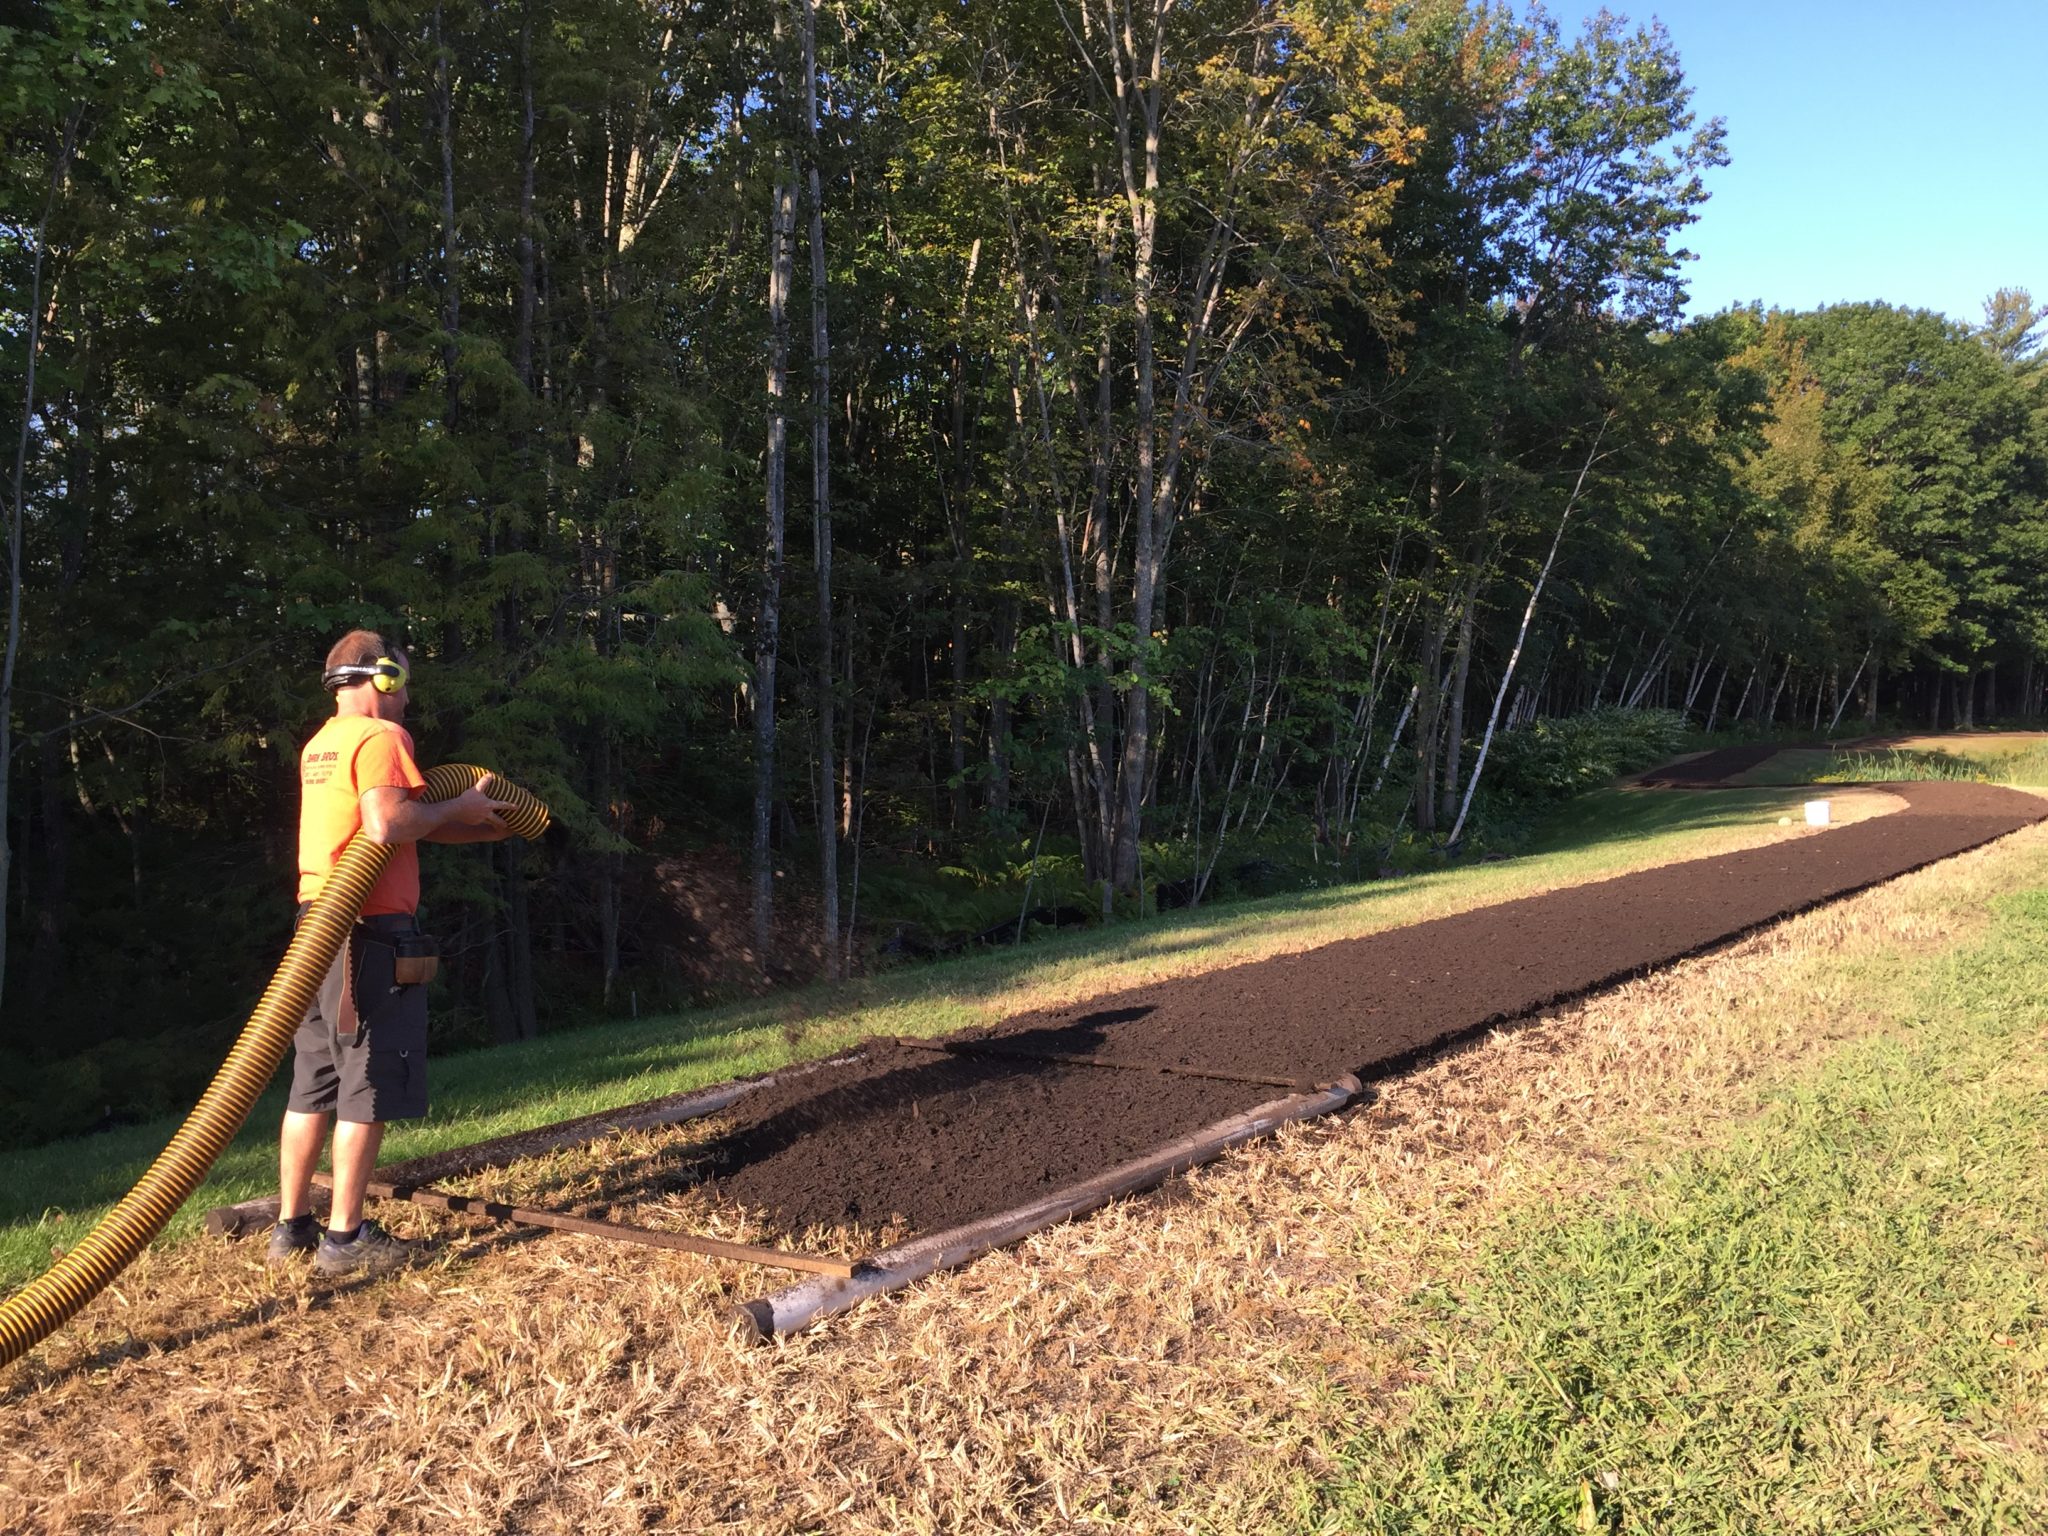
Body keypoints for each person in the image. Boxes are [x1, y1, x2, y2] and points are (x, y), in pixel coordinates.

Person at [268, 630, 515, 1276]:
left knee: (312, 1082)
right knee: (368, 1082)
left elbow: (391, 828)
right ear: (382, 679)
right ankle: (345, 1239)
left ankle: (292, 1227)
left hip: (316, 930)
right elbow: (387, 824)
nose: (408, 698)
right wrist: (462, 802)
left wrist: (470, 824)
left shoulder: (323, 744)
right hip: (369, 936)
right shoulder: (383, 737)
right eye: (404, 681)